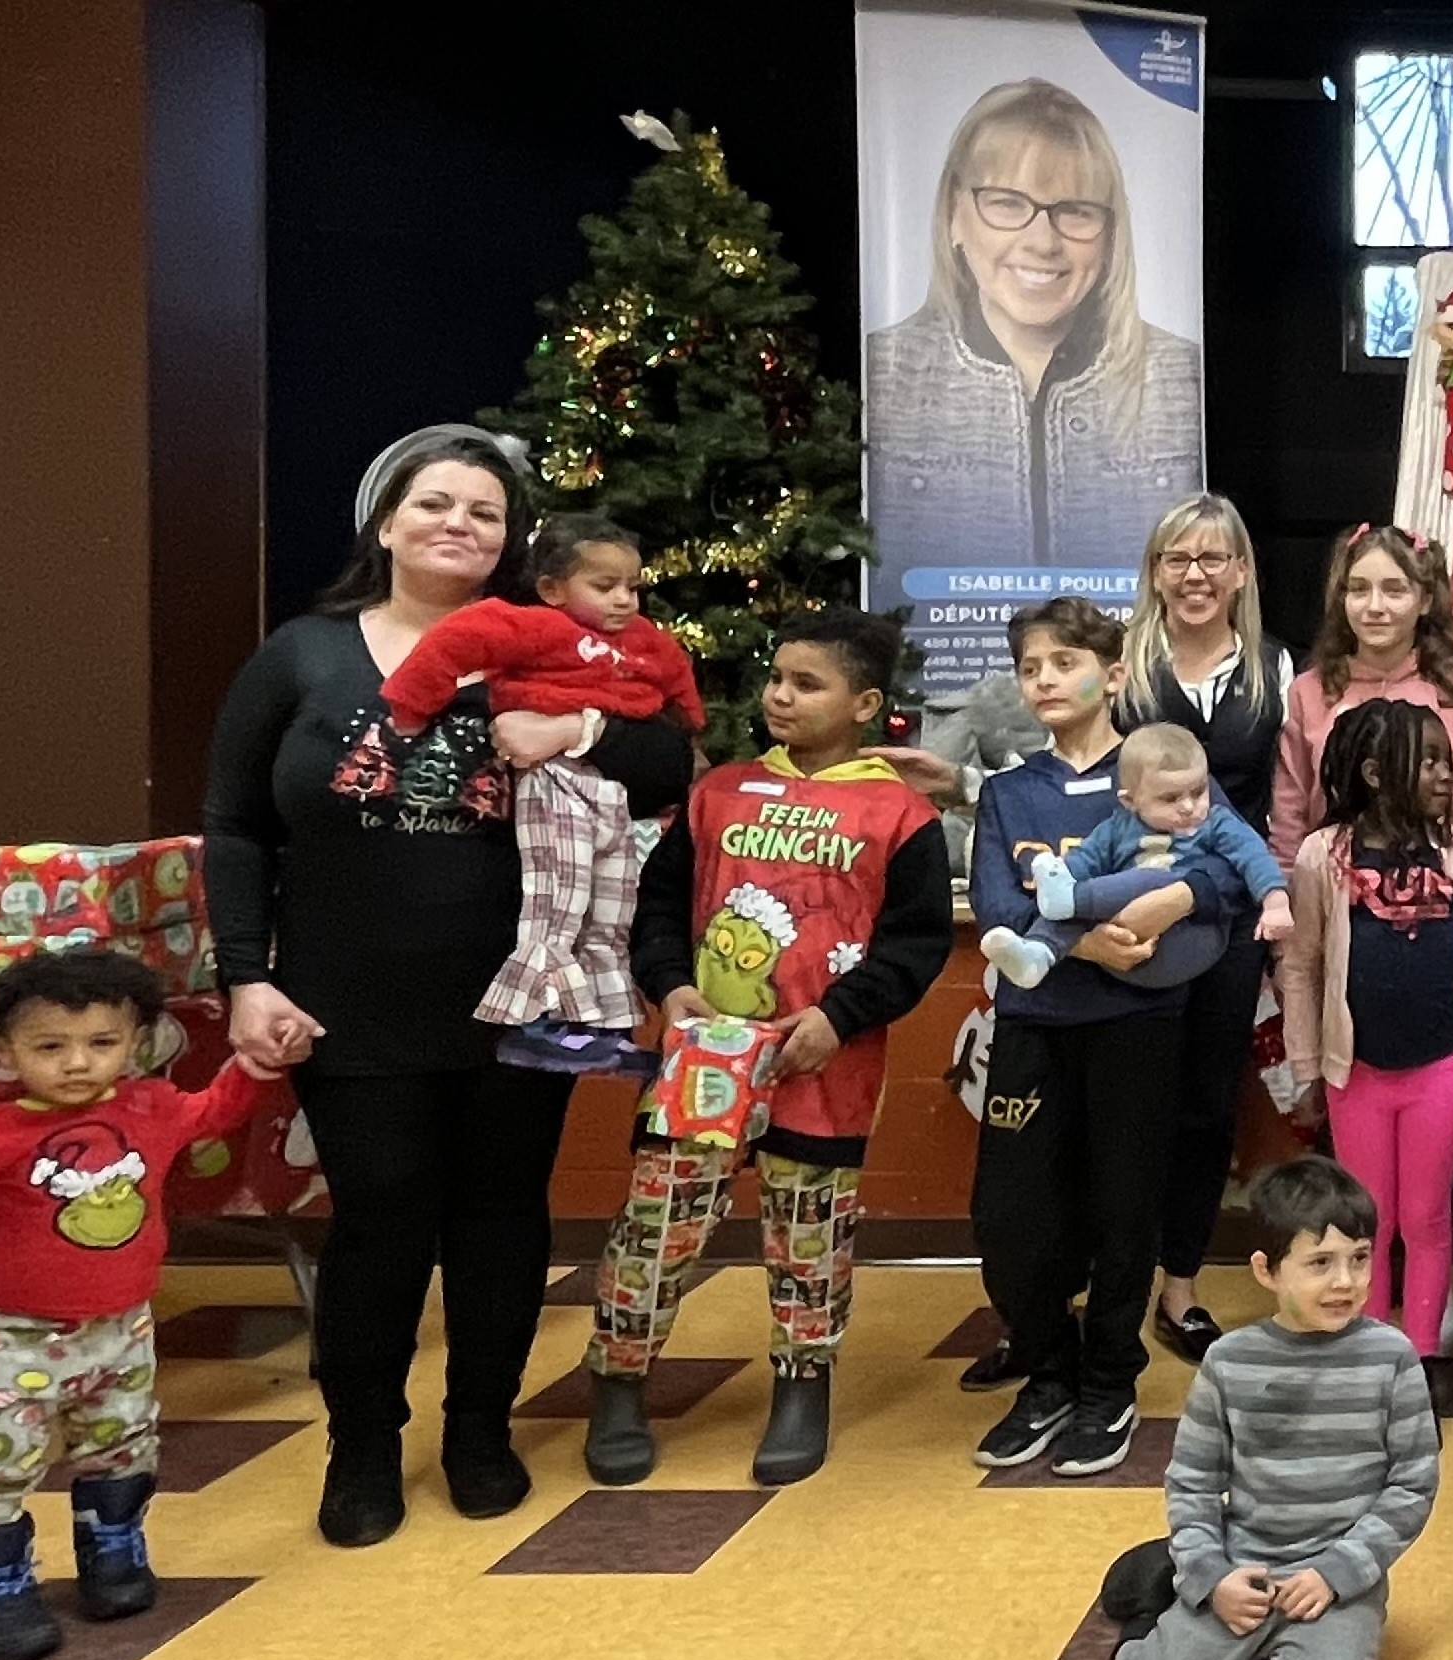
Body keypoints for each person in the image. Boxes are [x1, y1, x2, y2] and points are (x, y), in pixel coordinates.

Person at [205, 427, 694, 1547]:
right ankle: (362, 1447)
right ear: (387, 523)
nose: (457, 526)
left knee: (498, 1220)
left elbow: (667, 759)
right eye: (435, 505)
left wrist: (570, 723)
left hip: (521, 993)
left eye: (482, 512)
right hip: (347, 998)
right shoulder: (303, 656)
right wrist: (243, 977)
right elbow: (236, 827)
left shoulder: (560, 647)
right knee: (379, 1218)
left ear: (509, 541)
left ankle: (481, 1431)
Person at [584, 608, 948, 1489]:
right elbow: (660, 905)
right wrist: (669, 984)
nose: (780, 695)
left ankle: (802, 1382)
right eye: (777, 678)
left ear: (864, 703)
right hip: (704, 1065)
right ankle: (619, 1380)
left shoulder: (900, 813)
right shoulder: (718, 795)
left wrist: (839, 1017)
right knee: (659, 1223)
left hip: (824, 1065)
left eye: (807, 683)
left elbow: (916, 945)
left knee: (809, 1237)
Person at [966, 598, 1245, 1478]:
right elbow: (998, 907)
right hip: (1035, 1025)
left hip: (1137, 1026)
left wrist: (1175, 901)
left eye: (1062, 662)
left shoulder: (1163, 767)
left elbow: (1228, 870)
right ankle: (1046, 1371)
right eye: (1029, 668)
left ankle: (1107, 1383)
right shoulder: (1012, 794)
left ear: (1114, 674)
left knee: (1128, 1207)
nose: (1044, 679)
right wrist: (1082, 936)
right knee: (1011, 1217)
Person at [0, 952, 269, 1660]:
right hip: (11, 1337)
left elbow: (213, 1113)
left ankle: (113, 1552)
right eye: (49, 1047)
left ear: (135, 1044)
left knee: (123, 1443)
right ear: (3, 1051)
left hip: (121, 1329)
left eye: (102, 1044)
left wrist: (257, 1064)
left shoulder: (149, 1107)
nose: (77, 1063)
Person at [1102, 1158, 1440, 1660]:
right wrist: (1213, 1576)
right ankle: (1166, 1587)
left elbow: (1413, 1483)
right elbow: (1193, 1483)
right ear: (1267, 1270)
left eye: (1359, 1258)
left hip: (1336, 1578)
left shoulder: (1393, 1357)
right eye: (1319, 1263)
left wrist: (1338, 1573)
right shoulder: (1228, 1361)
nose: (1345, 1281)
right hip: (1244, 1565)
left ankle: (1260, 1643)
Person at [375, 512, 704, 1075]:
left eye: (632, 587)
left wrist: (691, 720)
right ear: (552, 590)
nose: (624, 600)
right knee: (559, 898)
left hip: (612, 789)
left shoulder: (643, 640)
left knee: (612, 904)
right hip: (553, 779)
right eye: (604, 587)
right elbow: (453, 642)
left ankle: (599, 1027)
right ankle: (537, 1021)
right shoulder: (536, 628)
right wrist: (410, 707)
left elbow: (675, 674)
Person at [863, 78, 1201, 600]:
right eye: (1007, 203)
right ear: (955, 213)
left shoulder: (1183, 378)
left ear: (1111, 236)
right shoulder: (881, 373)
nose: (1043, 241)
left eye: (1076, 212)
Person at [1115, 495, 1294, 1363]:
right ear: (1155, 572)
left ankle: (1177, 1289)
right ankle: (1106, 1281)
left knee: (1202, 1107)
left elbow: (1288, 799)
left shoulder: (1274, 666)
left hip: (1226, 921)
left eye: (1212, 559)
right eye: (1177, 559)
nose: (1194, 575)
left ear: (1241, 572)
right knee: (1122, 1101)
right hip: (1130, 915)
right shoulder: (1120, 666)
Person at [1278, 700, 1453, 1358]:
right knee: (1368, 1219)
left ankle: (1421, 1355)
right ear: (1375, 772)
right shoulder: (1325, 854)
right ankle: (1368, 1354)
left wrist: (1449, 1029)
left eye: (1446, 760)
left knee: (1428, 1219)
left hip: (1436, 1067)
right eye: (1427, 760)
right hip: (1358, 1074)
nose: (1443, 773)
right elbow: (1303, 965)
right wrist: (1308, 1066)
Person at [1269, 523, 1453, 870]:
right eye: (1358, 590)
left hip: (1439, 894)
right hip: (1334, 893)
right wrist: (1287, 898)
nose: (1374, 607)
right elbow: (1289, 821)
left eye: (1394, 591)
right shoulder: (1309, 691)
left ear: (1425, 600)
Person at [983, 722, 1291, 989]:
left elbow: (1254, 856)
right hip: (1120, 952)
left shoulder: (1216, 822)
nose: (1188, 807)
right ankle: (1038, 954)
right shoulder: (1117, 829)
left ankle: (1070, 899)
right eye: (1170, 798)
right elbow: (1084, 860)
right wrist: (1063, 871)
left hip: (1189, 942)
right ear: (1130, 801)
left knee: (1149, 879)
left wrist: (1275, 901)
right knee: (1070, 906)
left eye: (1198, 792)